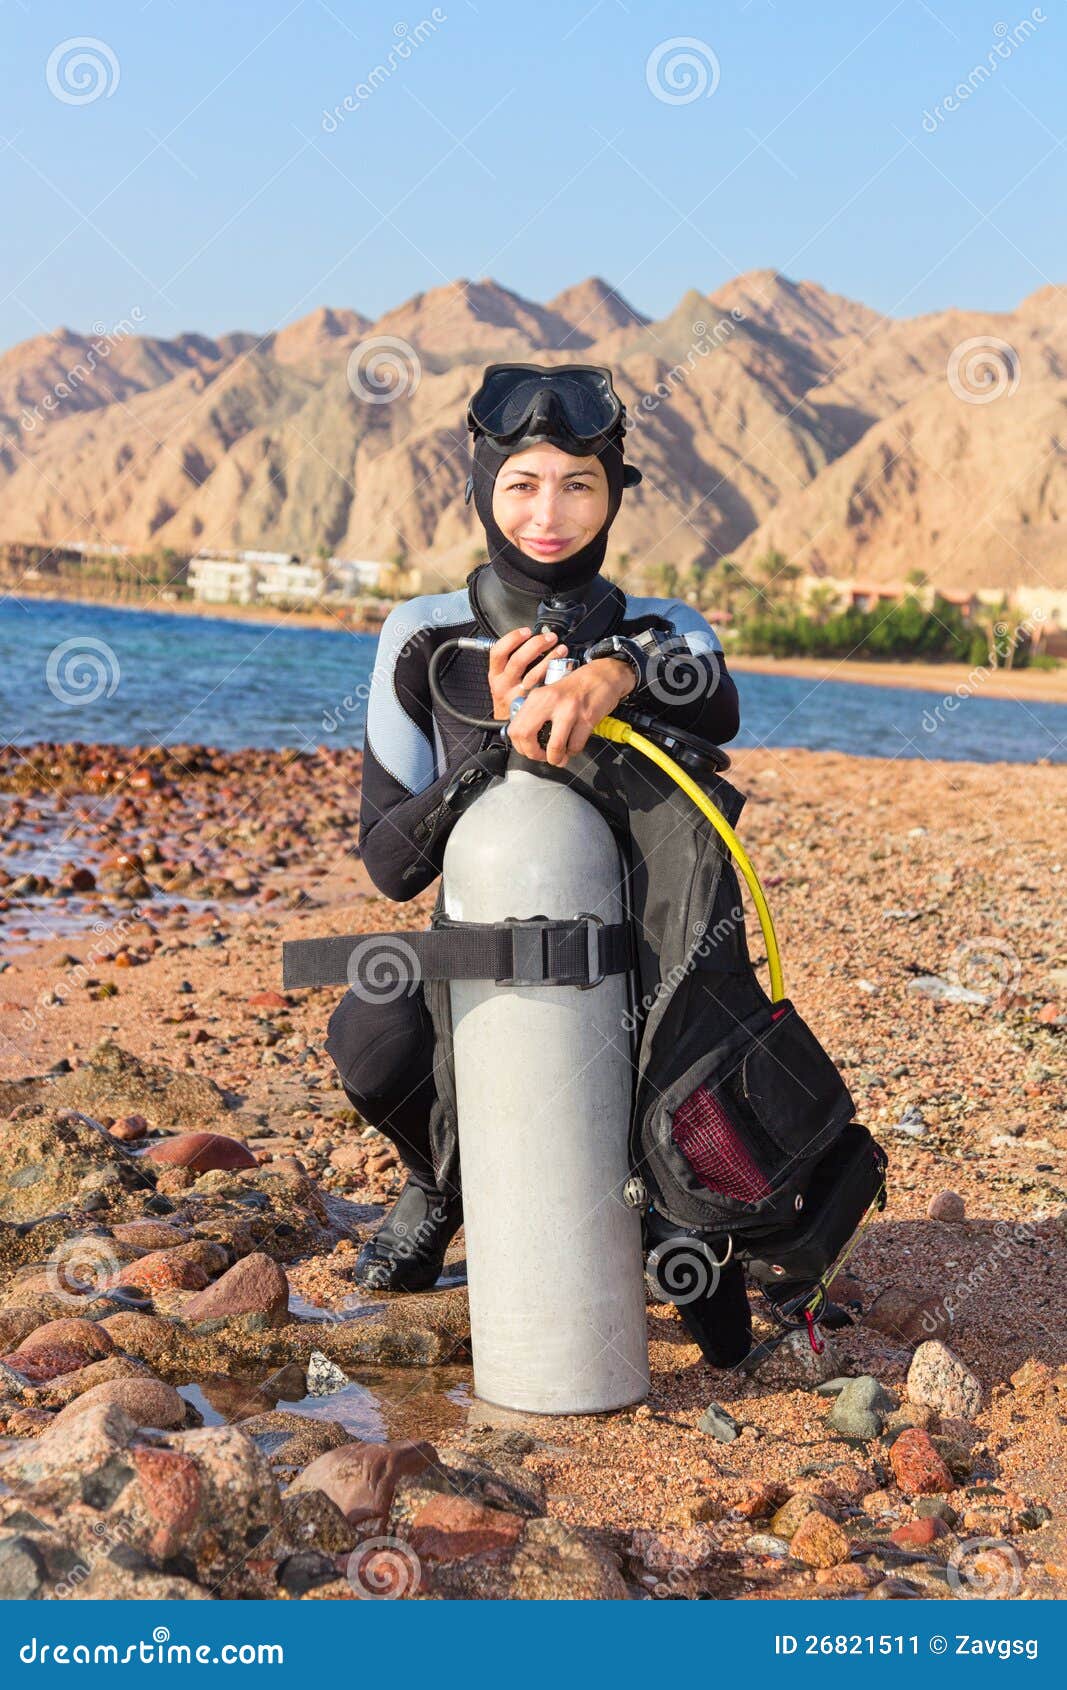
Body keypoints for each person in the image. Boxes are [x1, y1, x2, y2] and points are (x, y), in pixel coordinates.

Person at [324, 362, 752, 1364]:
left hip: (650, 973)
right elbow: (389, 864)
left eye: (578, 485)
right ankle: (439, 1180)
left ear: (614, 495)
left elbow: (717, 701)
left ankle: (673, 1203)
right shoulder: (424, 637)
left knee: (721, 1329)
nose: (548, 513)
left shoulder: (662, 630)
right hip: (486, 956)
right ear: (482, 487)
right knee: (370, 1029)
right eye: (521, 484)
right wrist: (492, 745)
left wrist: (611, 674)